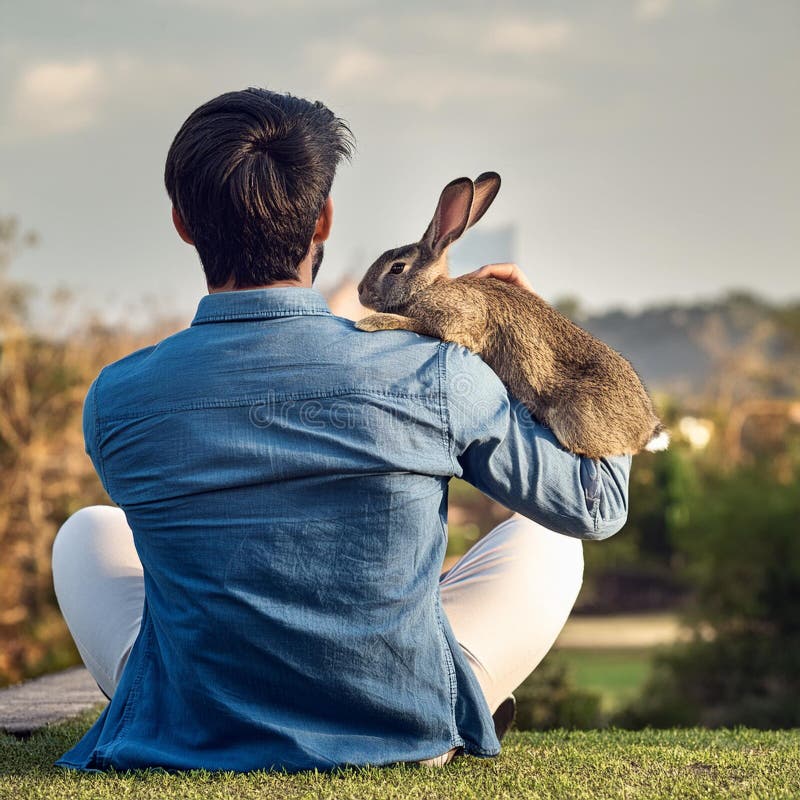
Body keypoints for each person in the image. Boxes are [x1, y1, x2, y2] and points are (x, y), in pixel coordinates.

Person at [51, 87, 631, 773]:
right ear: (323, 219)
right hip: (397, 724)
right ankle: (442, 699)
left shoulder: (115, 398)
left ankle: (177, 708)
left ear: (182, 222)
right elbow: (597, 506)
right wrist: (559, 351)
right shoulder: (437, 373)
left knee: (87, 532)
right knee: (551, 543)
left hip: (194, 724)